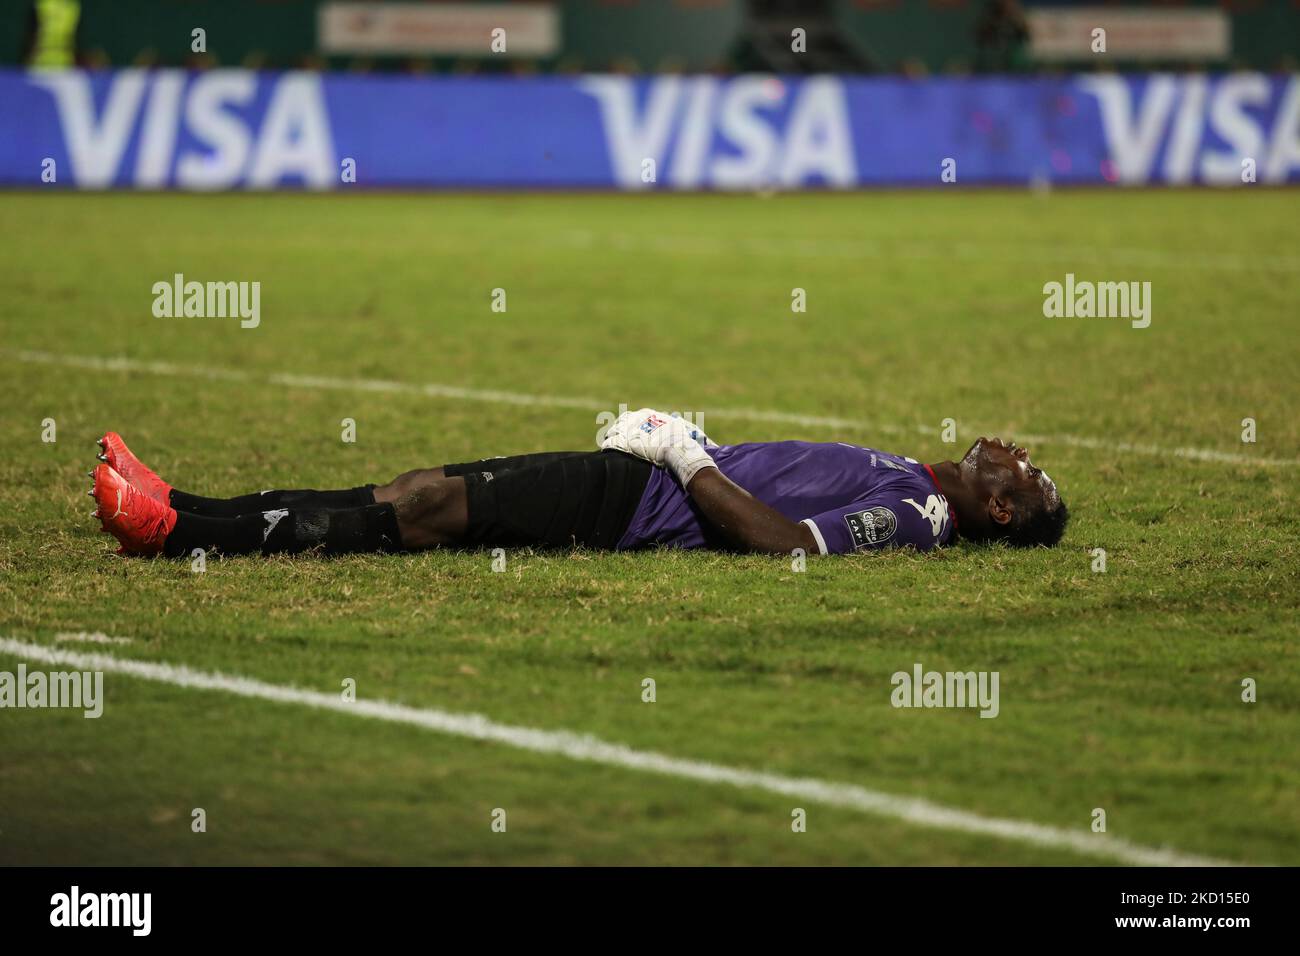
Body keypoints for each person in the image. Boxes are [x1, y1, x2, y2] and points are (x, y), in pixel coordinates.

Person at [88, 408, 1067, 558]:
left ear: (998, 507)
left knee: (423, 508)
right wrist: (694, 436)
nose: (1016, 448)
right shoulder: (914, 467)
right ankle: (190, 503)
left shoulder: (919, 511)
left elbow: (786, 545)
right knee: (413, 484)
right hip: (644, 477)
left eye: (1029, 470)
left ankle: (174, 533)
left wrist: (683, 457)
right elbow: (777, 475)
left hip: (634, 504)